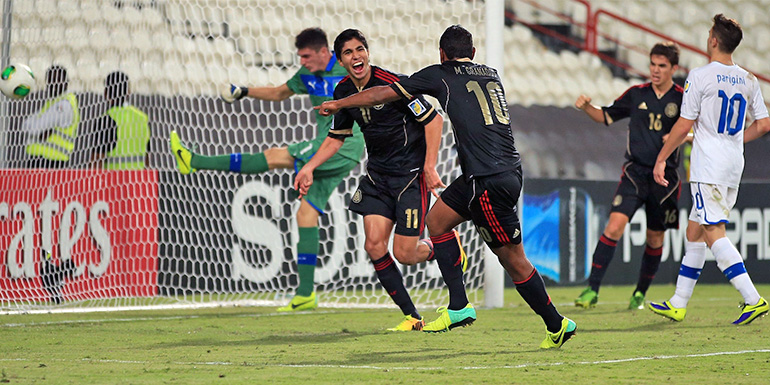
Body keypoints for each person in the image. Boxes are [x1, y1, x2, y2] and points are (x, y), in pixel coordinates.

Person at [314, 25, 576, 348]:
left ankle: (557, 323)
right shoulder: (490, 73)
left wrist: (339, 105)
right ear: (473, 53)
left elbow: (385, 93)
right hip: (486, 175)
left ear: (442, 54)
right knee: (437, 221)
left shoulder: (441, 75)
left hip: (489, 181)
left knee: (512, 259)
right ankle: (459, 306)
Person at [170, 28, 365, 312]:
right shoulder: (305, 75)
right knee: (306, 215)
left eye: (307, 56)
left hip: (343, 144)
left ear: (325, 52)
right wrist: (245, 92)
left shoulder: (347, 68)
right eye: (300, 57)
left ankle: (195, 161)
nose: (303, 61)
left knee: (274, 156)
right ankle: (305, 294)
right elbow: (278, 93)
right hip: (332, 150)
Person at [294, 29, 451, 331]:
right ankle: (412, 317)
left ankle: (441, 246)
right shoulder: (342, 93)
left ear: (368, 53)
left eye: (360, 49)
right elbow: (336, 137)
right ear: (340, 61)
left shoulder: (394, 84)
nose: (357, 56)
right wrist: (309, 167)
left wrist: (430, 166)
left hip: (409, 176)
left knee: (405, 254)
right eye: (349, 52)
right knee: (374, 245)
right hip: (378, 177)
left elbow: (434, 120)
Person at [649, 14, 770, 325]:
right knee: (695, 231)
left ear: (714, 40)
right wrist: (734, 139)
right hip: (733, 163)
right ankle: (678, 302)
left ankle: (752, 298)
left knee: (713, 230)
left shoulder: (700, 76)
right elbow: (764, 124)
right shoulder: (748, 78)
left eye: (708, 34)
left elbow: (683, 124)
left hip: (709, 166)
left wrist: (662, 157)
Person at [573, 42, 685, 310]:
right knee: (613, 227)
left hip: (665, 180)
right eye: (652, 65)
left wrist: (683, 136)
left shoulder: (683, 98)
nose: (655, 71)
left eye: (662, 66)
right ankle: (591, 289)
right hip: (635, 173)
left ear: (673, 68)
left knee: (655, 238)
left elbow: (699, 130)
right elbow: (607, 116)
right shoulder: (637, 94)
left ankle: (639, 293)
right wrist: (587, 107)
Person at [89, 71, 150, 169]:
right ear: (128, 92)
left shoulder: (106, 120)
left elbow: (97, 159)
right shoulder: (142, 118)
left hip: (113, 180)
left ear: (106, 93)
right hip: (138, 180)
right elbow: (147, 157)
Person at [23, 65, 80, 168]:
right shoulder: (52, 103)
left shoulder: (63, 105)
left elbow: (35, 129)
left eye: (57, 79)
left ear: (66, 83)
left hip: (52, 161)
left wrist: (38, 131)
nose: (54, 84)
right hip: (39, 159)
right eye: (50, 80)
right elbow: (25, 126)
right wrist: (41, 131)